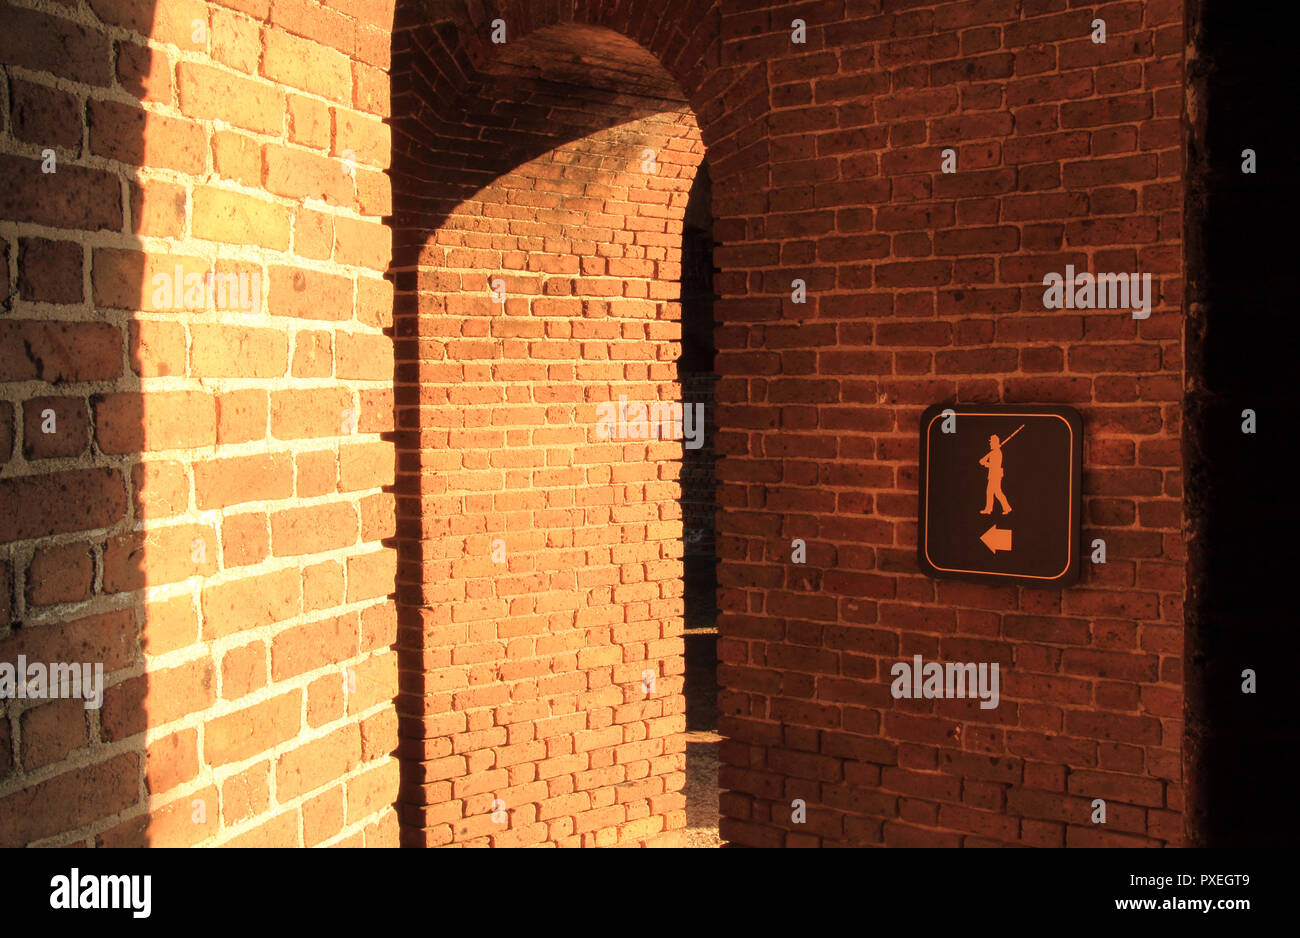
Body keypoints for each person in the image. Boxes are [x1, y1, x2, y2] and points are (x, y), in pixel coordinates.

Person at [979, 434, 1012, 515]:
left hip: (995, 475)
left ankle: (989, 509)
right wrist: (985, 460)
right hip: (994, 475)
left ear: (994, 443)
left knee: (992, 492)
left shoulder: (997, 452)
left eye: (991, 442)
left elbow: (994, 465)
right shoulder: (993, 452)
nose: (990, 444)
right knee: (996, 492)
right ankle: (1006, 508)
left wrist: (985, 463)